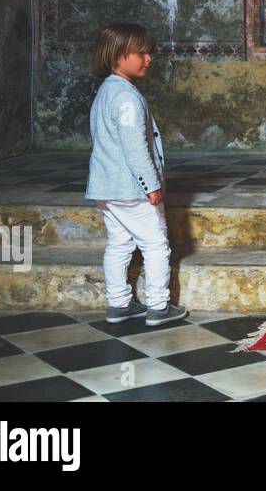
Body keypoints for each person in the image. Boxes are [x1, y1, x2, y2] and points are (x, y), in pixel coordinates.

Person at [85, 22, 187, 327]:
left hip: (106, 187)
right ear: (117, 56)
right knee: (156, 244)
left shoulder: (106, 92)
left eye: (149, 53)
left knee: (119, 243)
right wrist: (150, 185)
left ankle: (118, 303)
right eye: (140, 53)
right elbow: (135, 147)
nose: (148, 59)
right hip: (131, 189)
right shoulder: (127, 99)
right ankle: (158, 306)